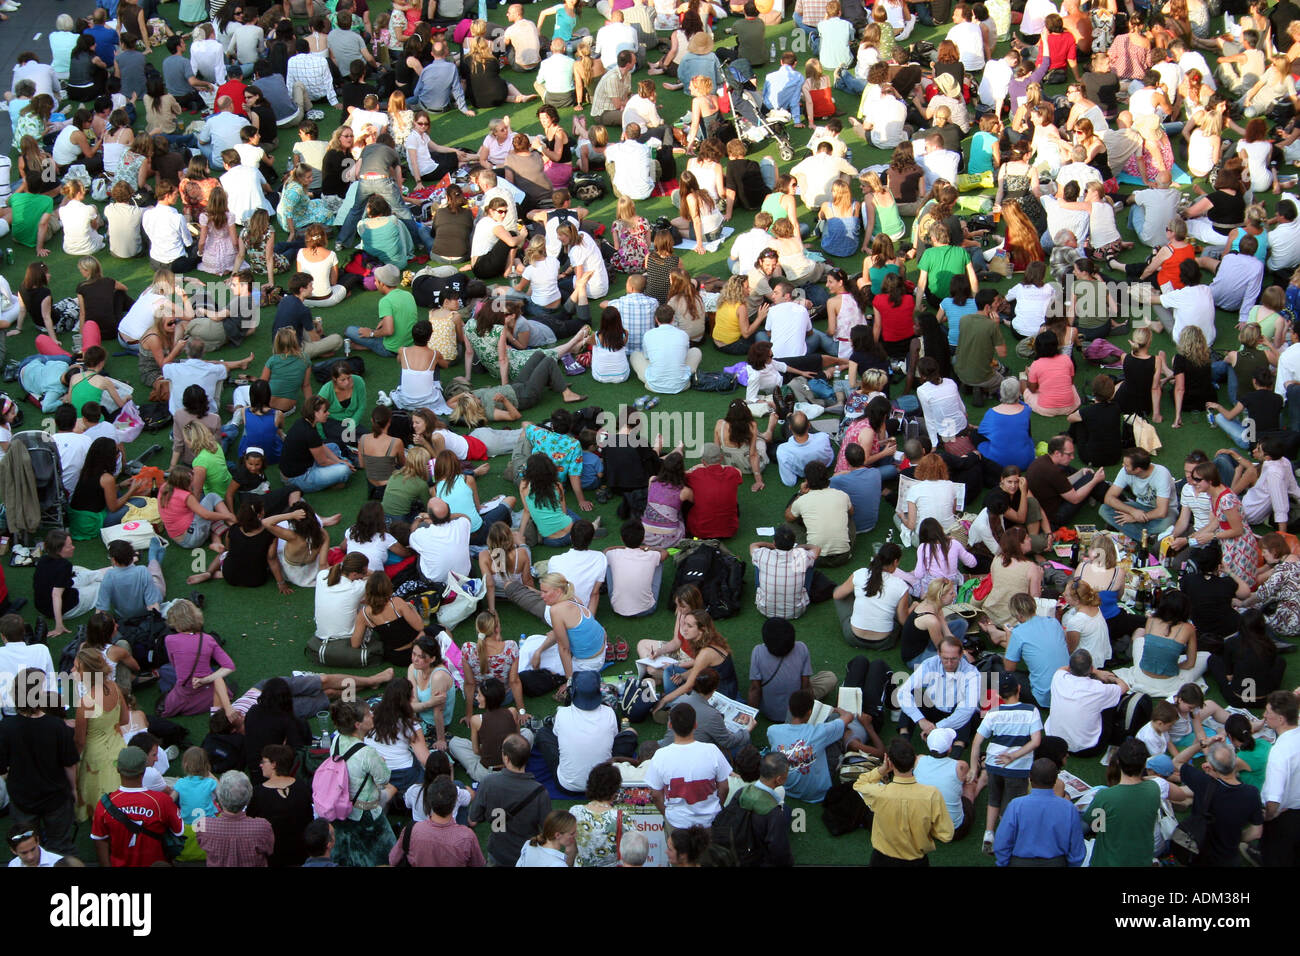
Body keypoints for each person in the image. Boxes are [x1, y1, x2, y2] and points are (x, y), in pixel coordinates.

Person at [0, 667, 80, 856]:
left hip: (23, 800)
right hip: (56, 798)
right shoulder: (57, 726)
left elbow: (2, 769)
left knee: (27, 850)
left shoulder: (6, 728)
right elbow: (69, 764)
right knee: (61, 848)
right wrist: (74, 790)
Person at [968, 673, 1044, 853]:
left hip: (993, 765)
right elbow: (1036, 741)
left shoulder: (994, 712)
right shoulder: (1030, 710)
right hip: (1017, 769)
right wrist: (1014, 755)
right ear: (1019, 689)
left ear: (999, 695)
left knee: (994, 798)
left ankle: (988, 834)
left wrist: (974, 767)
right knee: (1011, 805)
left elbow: (977, 742)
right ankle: (1006, 839)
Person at [854, 737, 954, 866]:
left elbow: (859, 784)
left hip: (881, 860)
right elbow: (946, 834)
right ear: (915, 760)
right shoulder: (931, 794)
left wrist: (882, 770)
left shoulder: (879, 793)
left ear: (890, 762)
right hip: (916, 861)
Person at [91, 746, 185, 867]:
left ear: (118, 769)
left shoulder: (104, 804)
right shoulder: (162, 801)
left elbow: (99, 840)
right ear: (144, 770)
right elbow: (178, 831)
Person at [468, 733, 552, 866]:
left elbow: (474, 817)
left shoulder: (488, 782)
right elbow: (548, 832)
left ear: (506, 758)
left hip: (497, 852)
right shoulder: (540, 792)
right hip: (526, 855)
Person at [646, 703, 733, 830]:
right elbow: (724, 787)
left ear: (670, 726)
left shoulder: (660, 756)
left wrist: (669, 815)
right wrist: (714, 809)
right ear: (695, 725)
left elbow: (655, 794)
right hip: (708, 822)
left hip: (677, 823)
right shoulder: (712, 751)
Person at [766, 689, 856, 804]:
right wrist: (840, 711)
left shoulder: (772, 730)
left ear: (789, 709)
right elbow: (849, 716)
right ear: (810, 712)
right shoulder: (820, 732)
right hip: (818, 792)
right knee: (834, 718)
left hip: (785, 785)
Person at [992, 757, 1087, 866]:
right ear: (1055, 779)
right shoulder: (1068, 808)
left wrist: (1004, 863)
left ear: (1030, 778)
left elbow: (1001, 842)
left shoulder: (1016, 805)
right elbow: (1077, 849)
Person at [1084, 737, 1162, 866]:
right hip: (1141, 859)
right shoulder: (1154, 788)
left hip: (1108, 861)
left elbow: (1095, 826)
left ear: (1118, 762)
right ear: (1144, 764)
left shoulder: (1105, 796)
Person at [389, 776, 485, 867]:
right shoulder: (467, 836)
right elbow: (478, 864)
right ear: (455, 802)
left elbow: (393, 859)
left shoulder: (410, 831)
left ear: (429, 801)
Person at [195, 771, 275, 867]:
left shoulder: (203, 825)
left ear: (220, 797)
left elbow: (201, 845)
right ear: (248, 797)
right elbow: (269, 850)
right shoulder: (262, 827)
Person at [1100, 448, 1176, 543]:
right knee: (1104, 509)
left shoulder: (1161, 475)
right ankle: (1147, 536)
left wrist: (1135, 518)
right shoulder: (1124, 472)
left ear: (1138, 469)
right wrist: (1133, 511)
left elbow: (1162, 511)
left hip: (1164, 512)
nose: (1123, 466)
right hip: (1140, 507)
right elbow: (1109, 498)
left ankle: (1131, 531)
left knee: (1166, 524)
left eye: (1126, 465)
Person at [1261, 689, 1300, 865]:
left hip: (1284, 817)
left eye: (1268, 713)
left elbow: (1274, 797)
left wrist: (1269, 816)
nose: (1264, 715)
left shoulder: (1280, 752)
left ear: (1281, 719)